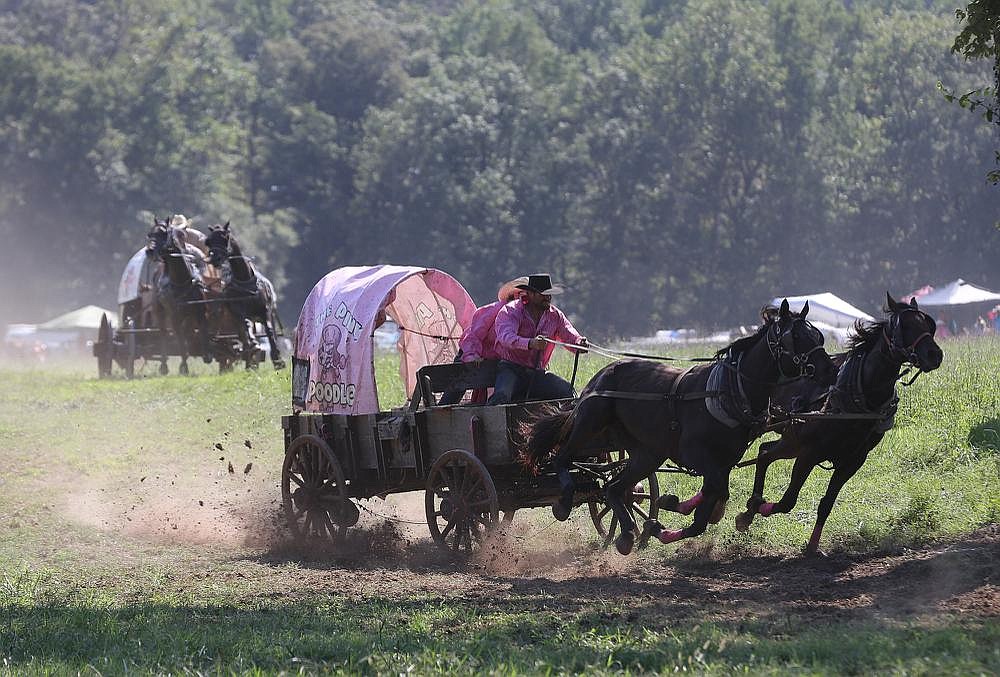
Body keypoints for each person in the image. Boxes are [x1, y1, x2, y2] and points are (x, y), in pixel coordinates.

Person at [487, 273, 588, 404]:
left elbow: (568, 333)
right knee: (501, 398)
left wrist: (579, 342)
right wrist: (530, 343)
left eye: (549, 294)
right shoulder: (511, 311)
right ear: (530, 294)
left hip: (537, 372)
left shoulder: (555, 315)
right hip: (511, 369)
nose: (548, 298)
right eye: (543, 294)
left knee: (567, 392)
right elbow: (506, 337)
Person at [437, 276, 528, 405]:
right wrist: (471, 356)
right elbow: (474, 335)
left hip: (495, 361)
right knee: (457, 387)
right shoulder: (494, 310)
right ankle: (441, 412)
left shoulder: (527, 319)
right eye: (521, 297)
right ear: (513, 296)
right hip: (472, 354)